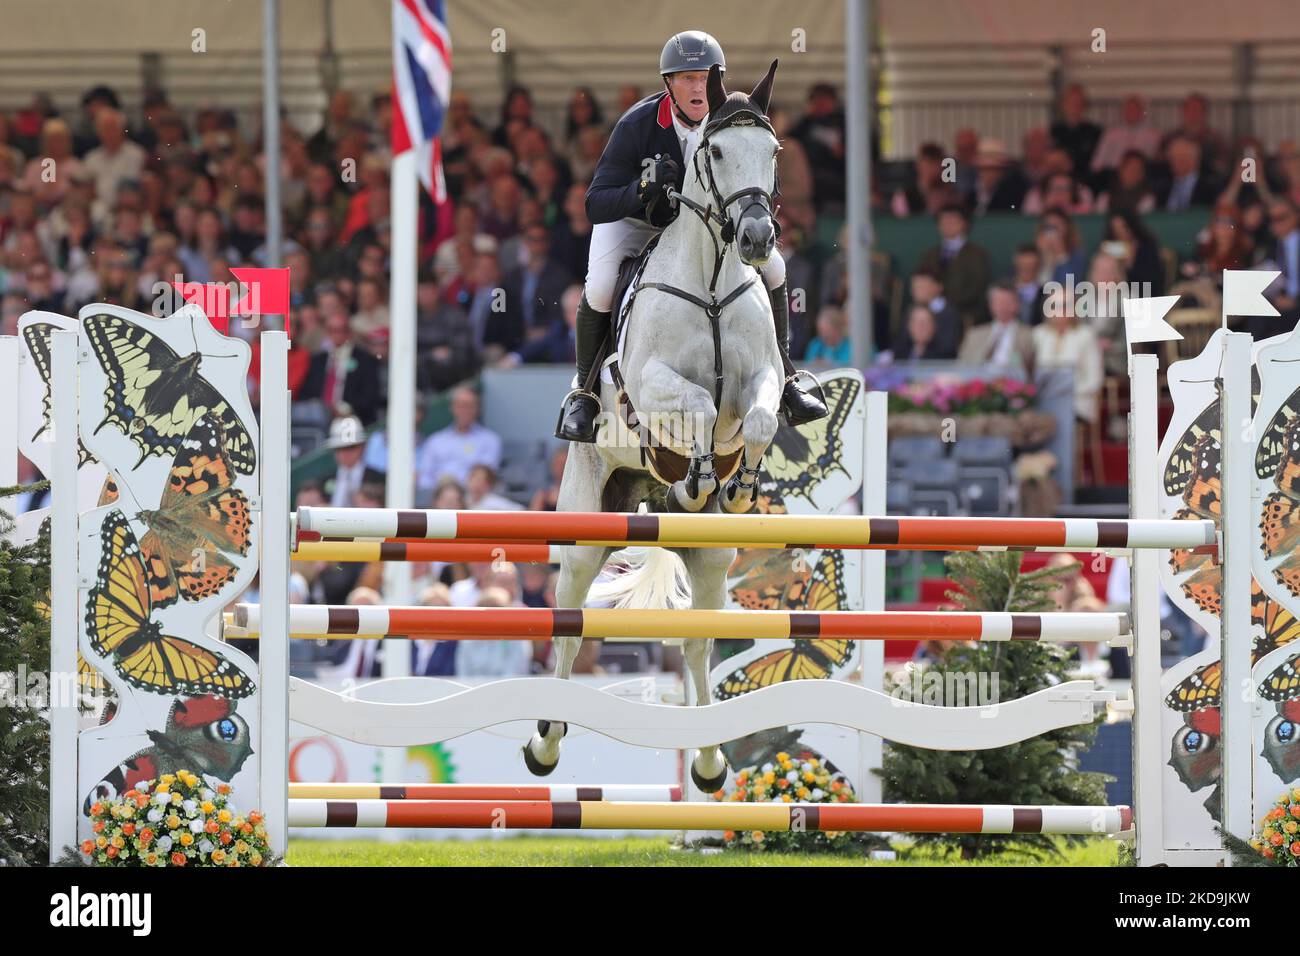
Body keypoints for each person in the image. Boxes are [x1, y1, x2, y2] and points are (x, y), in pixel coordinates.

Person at [554, 31, 827, 443]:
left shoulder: (730, 125)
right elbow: (595, 203)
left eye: (704, 78)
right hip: (636, 222)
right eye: (687, 78)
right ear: (669, 84)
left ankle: (787, 379)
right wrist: (642, 191)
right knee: (602, 285)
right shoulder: (638, 124)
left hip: (699, 225)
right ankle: (585, 392)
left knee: (774, 267)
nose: (698, 88)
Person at [415, 385, 503, 498]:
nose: (464, 410)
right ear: (452, 408)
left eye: (469, 406)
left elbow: (485, 477)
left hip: (473, 500)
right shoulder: (435, 440)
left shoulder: (491, 440)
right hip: (438, 499)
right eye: (460, 405)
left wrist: (456, 487)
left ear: (477, 409)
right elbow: (425, 477)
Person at [1033, 287, 1104, 427]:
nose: (1060, 310)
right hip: (1043, 400)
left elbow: (1095, 380)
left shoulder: (1086, 335)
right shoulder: (1037, 334)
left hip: (1076, 401)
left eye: (1065, 305)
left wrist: (1065, 391)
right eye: (1054, 306)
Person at [915, 203, 991, 330]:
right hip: (928, 311)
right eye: (943, 220)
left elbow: (976, 288)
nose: (948, 224)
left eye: (953, 220)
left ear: (964, 223)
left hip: (963, 312)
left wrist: (945, 305)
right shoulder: (929, 255)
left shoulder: (978, 255)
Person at [957, 280, 1035, 374]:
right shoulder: (975, 335)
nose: (1002, 306)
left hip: (1013, 383)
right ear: (990, 305)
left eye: (1007, 302)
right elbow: (961, 366)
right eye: (998, 301)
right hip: (979, 382)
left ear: (1017, 304)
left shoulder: (1029, 334)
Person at [322, 416, 385, 508]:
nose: (345, 453)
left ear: (362, 447)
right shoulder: (325, 481)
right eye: (339, 449)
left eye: (351, 447)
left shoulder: (378, 479)